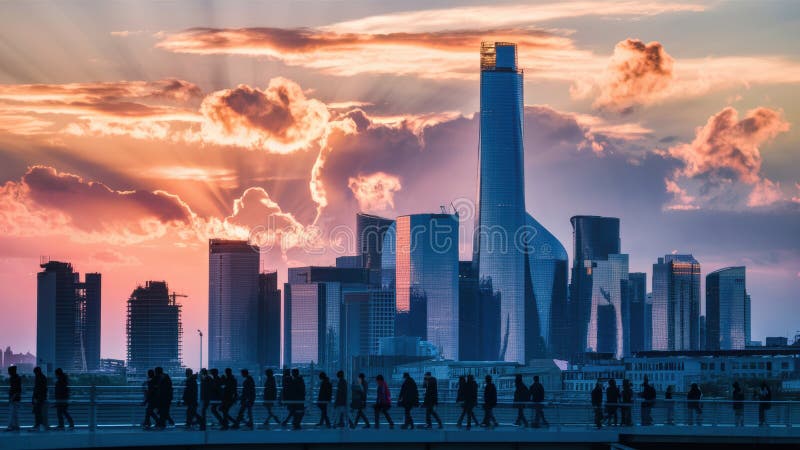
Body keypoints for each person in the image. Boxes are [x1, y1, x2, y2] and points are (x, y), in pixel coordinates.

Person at [31, 366, 48, 432]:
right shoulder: (42, 377)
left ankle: (38, 425)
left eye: (35, 372)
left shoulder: (39, 378)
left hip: (38, 398)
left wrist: (34, 398)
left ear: (37, 372)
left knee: (37, 412)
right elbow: (43, 389)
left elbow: (37, 389)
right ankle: (39, 425)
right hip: (40, 397)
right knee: (38, 412)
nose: (35, 374)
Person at [5, 366, 21, 432]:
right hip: (16, 398)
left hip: (14, 398)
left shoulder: (13, 379)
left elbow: (16, 389)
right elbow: (18, 389)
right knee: (15, 413)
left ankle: (10, 426)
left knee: (11, 413)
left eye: (9, 371)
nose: (8, 373)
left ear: (11, 372)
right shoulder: (17, 378)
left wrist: (12, 397)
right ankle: (16, 426)